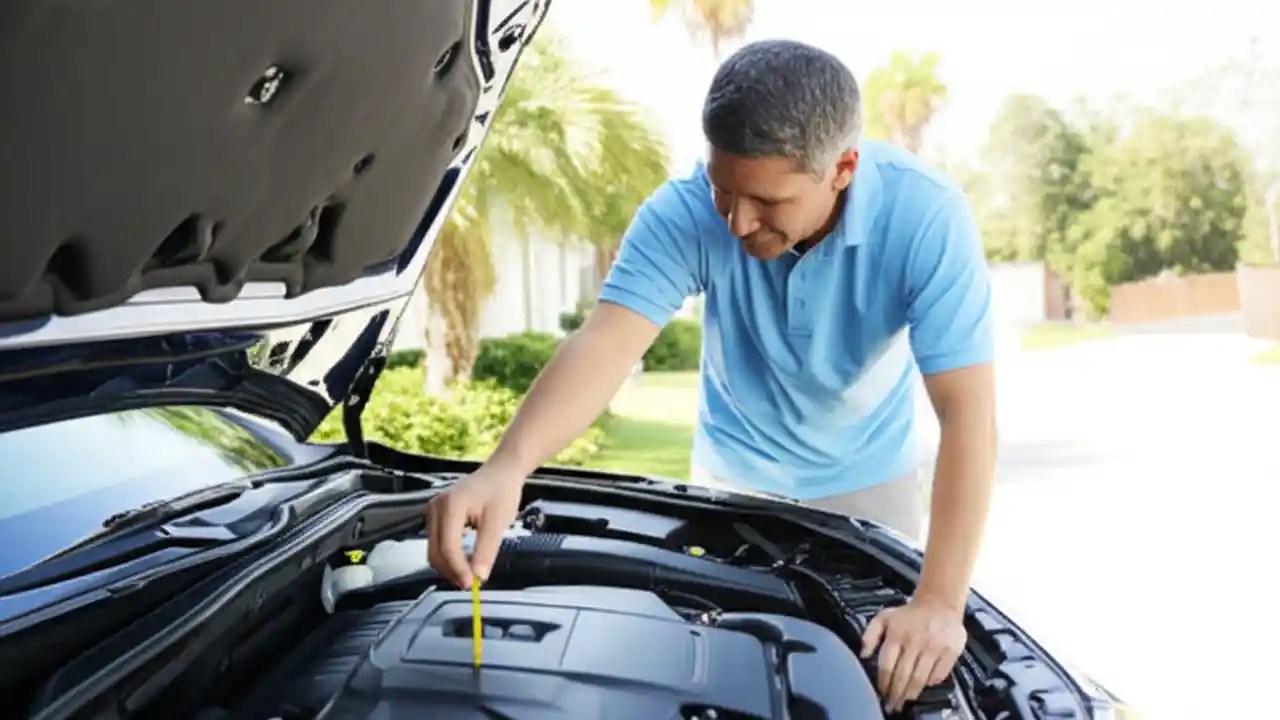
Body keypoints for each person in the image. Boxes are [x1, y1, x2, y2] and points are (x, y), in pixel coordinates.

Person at [425, 39, 998, 712]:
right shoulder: (688, 210)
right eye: (722, 188)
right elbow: (607, 343)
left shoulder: (926, 219)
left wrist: (937, 600)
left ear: (842, 167)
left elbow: (967, 416)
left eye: (766, 199)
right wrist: (507, 465)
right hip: (729, 483)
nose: (735, 220)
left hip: (870, 487)